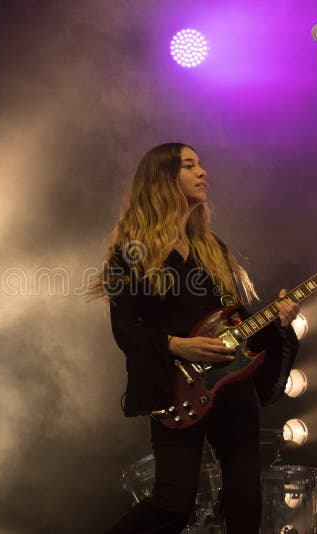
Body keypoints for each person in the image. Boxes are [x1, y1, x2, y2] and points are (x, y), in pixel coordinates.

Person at [97, 143, 299, 534]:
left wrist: (277, 318)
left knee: (245, 503)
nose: (202, 172)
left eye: (201, 164)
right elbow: (125, 328)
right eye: (189, 166)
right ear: (163, 180)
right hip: (176, 386)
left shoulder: (212, 248)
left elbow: (236, 320)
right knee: (173, 503)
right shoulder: (132, 253)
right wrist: (176, 344)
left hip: (232, 384)